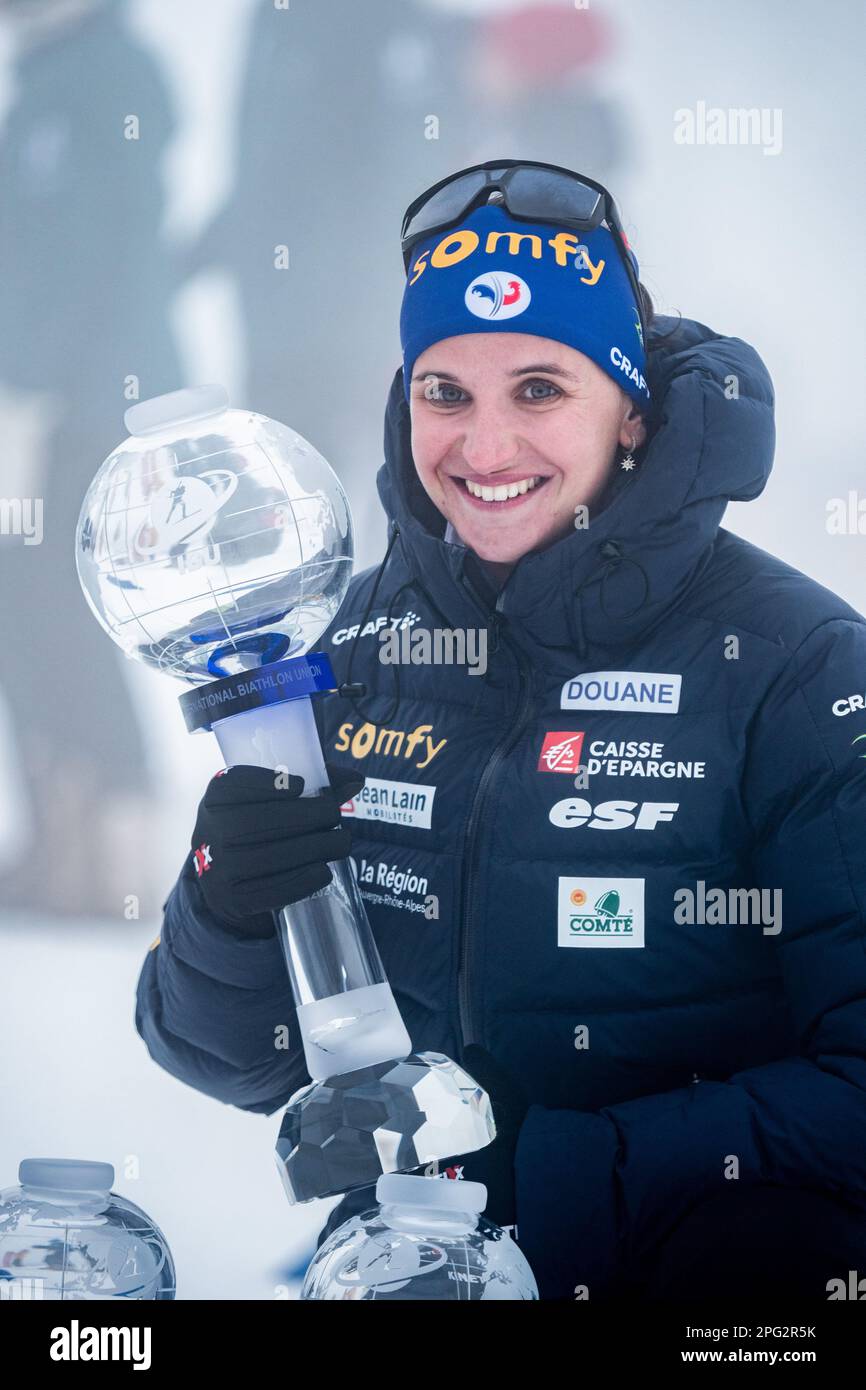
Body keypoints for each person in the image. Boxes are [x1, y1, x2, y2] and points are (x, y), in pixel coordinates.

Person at [135, 160, 866, 1302]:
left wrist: (544, 1168)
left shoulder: (795, 665)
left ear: (629, 410)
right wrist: (226, 905)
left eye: (537, 389)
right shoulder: (358, 645)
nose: (482, 450)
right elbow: (239, 1062)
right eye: (445, 393)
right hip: (414, 1264)